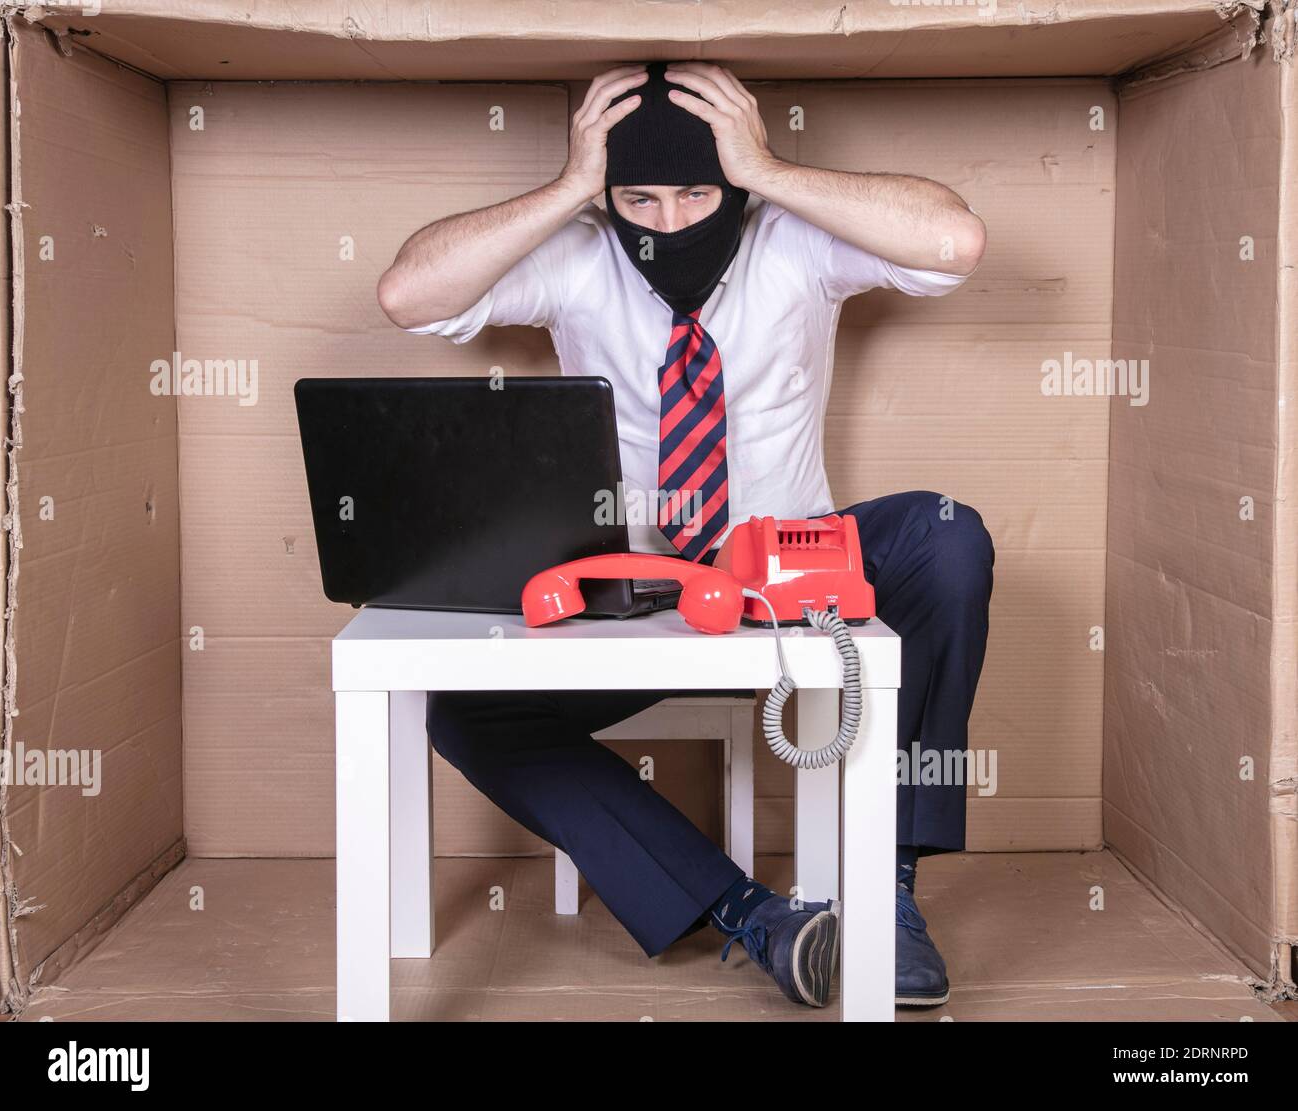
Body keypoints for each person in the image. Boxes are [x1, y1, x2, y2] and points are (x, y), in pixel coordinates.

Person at [377, 61, 993, 1009]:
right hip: (637, 589)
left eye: (697, 191)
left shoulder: (791, 239)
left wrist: (768, 170)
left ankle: (888, 896)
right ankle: (756, 915)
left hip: (790, 569)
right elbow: (409, 296)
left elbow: (953, 240)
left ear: (732, 184)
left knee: (950, 538)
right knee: (458, 707)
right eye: (641, 197)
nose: (669, 221)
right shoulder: (580, 253)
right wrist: (573, 187)